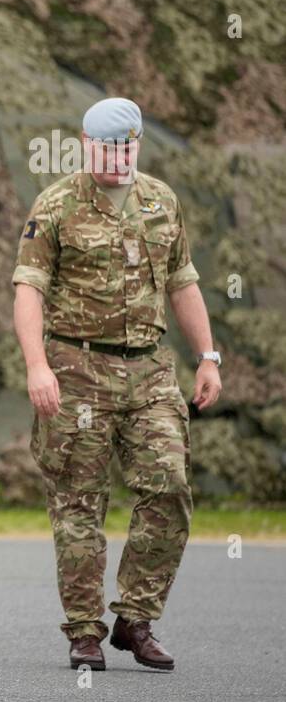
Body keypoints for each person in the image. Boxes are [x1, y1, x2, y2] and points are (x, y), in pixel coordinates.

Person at [12, 96, 221, 671]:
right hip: (76, 371)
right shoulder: (56, 205)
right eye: (105, 147)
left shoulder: (160, 200)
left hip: (150, 370)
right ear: (85, 142)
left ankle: (136, 617)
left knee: (170, 486)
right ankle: (84, 630)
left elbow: (183, 281)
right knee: (78, 505)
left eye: (125, 146)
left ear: (137, 145)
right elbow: (27, 288)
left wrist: (208, 356)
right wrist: (37, 366)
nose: (115, 157)